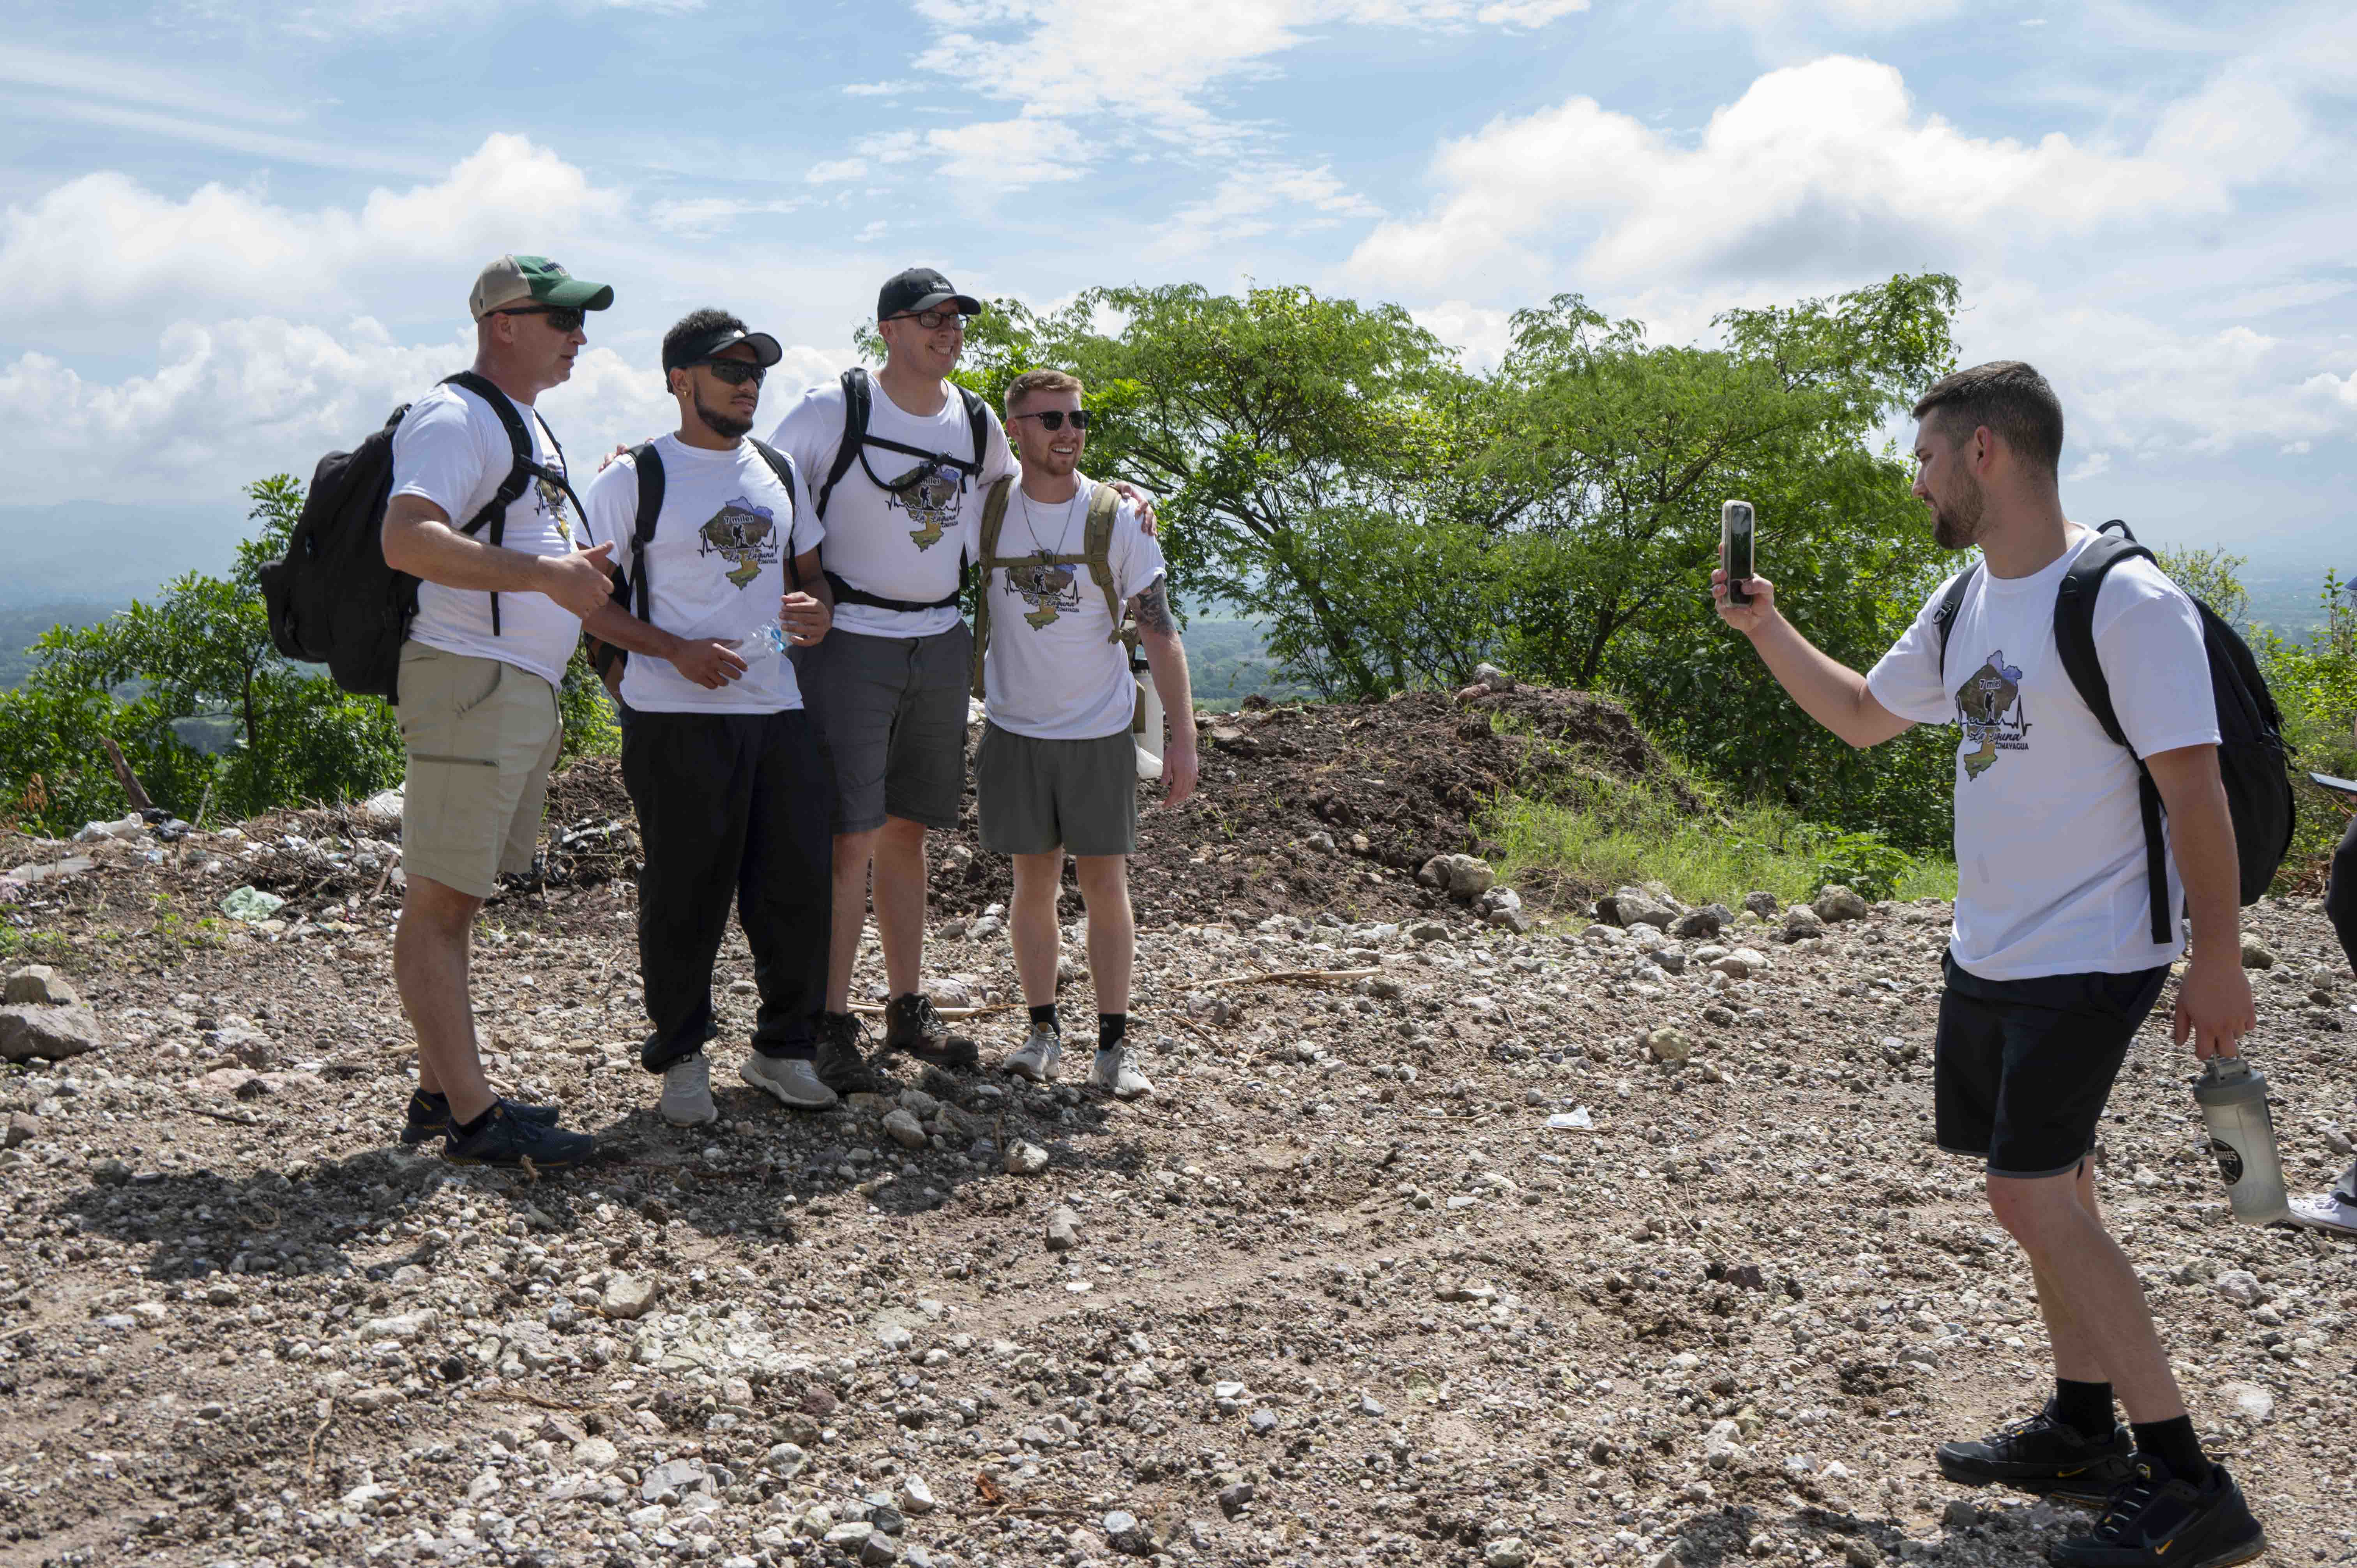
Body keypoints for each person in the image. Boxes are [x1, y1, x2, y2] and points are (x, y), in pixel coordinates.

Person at [1713, 362, 2267, 1567]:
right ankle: (2082, 1433)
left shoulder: (2124, 601)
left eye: (1923, 459)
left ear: (1984, 456)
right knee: (2053, 1192)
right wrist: (1765, 627)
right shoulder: (1968, 598)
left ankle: (2189, 1483)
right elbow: (1866, 713)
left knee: (2024, 1197)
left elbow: (2196, 789)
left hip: (2095, 950)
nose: (1914, 481)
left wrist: (2215, 959)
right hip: (1994, 948)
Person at [764, 267, 1154, 1092]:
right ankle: (830, 1022)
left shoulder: (976, 420)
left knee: (908, 829)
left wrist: (1120, 494)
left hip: (939, 638)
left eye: (957, 319)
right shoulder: (833, 408)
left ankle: (905, 1003)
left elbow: (1030, 496)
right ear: (889, 330)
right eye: (930, 317)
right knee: (848, 838)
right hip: (850, 640)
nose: (949, 330)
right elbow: (759, 488)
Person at [379, 254, 619, 1169]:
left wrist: (567, 569)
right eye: (561, 321)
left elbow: (514, 541)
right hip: (470, 682)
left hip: (510, 688)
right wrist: (542, 575)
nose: (578, 337)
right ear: (503, 323)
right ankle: (476, 1122)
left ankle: (444, 1091)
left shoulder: (525, 422)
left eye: (578, 322)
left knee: (461, 898)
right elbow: (407, 538)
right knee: (440, 903)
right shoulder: (455, 414)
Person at [578, 309, 838, 1124]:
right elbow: (586, 602)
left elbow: (813, 584)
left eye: (755, 369)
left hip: (777, 706)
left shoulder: (780, 471)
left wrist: (815, 616)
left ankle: (782, 1050)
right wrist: (671, 654)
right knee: (686, 894)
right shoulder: (633, 479)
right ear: (679, 380)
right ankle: (682, 1058)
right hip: (675, 715)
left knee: (794, 886)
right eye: (729, 369)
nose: (747, 382)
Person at [972, 369, 1198, 1096]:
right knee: (1031, 884)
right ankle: (1042, 1033)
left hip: (1099, 731)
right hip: (1014, 728)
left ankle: (1113, 1045)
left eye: (1078, 418)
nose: (1068, 431)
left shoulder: (1121, 516)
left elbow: (1161, 635)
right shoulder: (987, 508)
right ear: (1016, 431)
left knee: (1106, 883)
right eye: (1050, 420)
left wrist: (1183, 743)